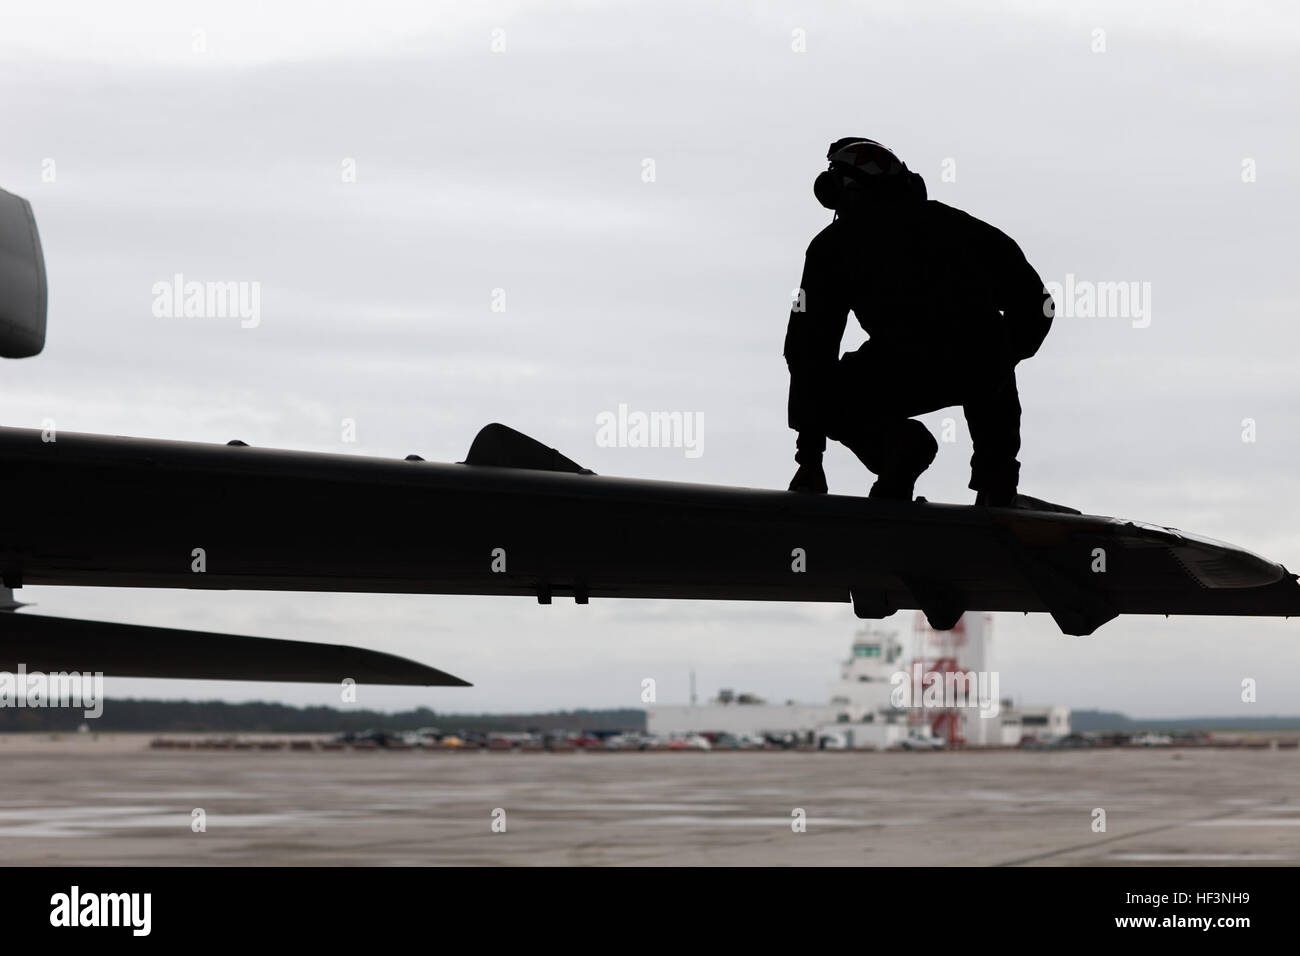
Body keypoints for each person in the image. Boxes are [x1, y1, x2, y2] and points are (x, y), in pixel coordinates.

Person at [783, 137, 1054, 506]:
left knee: (984, 343)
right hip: (943, 364)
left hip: (921, 364)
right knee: (987, 343)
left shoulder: (834, 246)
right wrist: (1003, 357)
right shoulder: (962, 229)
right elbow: (1037, 304)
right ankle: (988, 478)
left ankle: (905, 452)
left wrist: (810, 460)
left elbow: (808, 348)